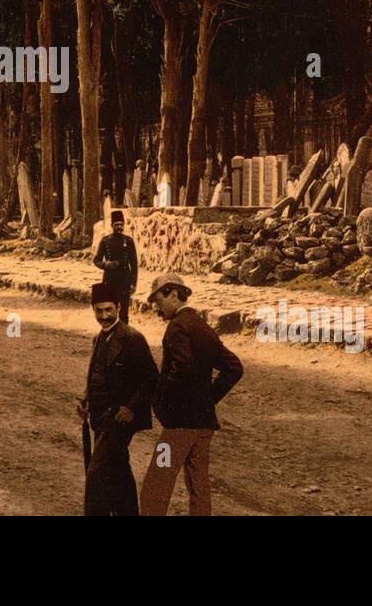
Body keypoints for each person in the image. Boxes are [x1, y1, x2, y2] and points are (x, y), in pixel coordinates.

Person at [139, 274, 243, 517]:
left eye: (158, 300)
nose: (156, 308)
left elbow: (181, 366)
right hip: (204, 424)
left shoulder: (177, 327)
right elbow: (234, 368)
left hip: (178, 427)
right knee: (199, 487)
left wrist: (163, 402)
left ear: (173, 294)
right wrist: (207, 399)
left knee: (157, 482)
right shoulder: (202, 326)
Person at [77, 282, 157, 516]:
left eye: (109, 310)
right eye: (99, 311)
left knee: (96, 473)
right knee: (119, 469)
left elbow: (152, 378)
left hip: (119, 419)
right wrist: (85, 400)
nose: (104, 316)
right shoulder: (98, 338)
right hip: (100, 418)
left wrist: (131, 408)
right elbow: (97, 374)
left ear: (119, 307)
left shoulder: (132, 338)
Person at [92, 209, 139, 323]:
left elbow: (134, 264)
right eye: (116, 225)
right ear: (112, 225)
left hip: (124, 281)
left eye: (121, 225)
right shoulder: (105, 241)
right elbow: (96, 260)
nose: (119, 227)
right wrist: (105, 265)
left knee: (124, 314)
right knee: (109, 311)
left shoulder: (129, 241)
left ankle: (124, 337)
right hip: (109, 280)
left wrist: (133, 283)